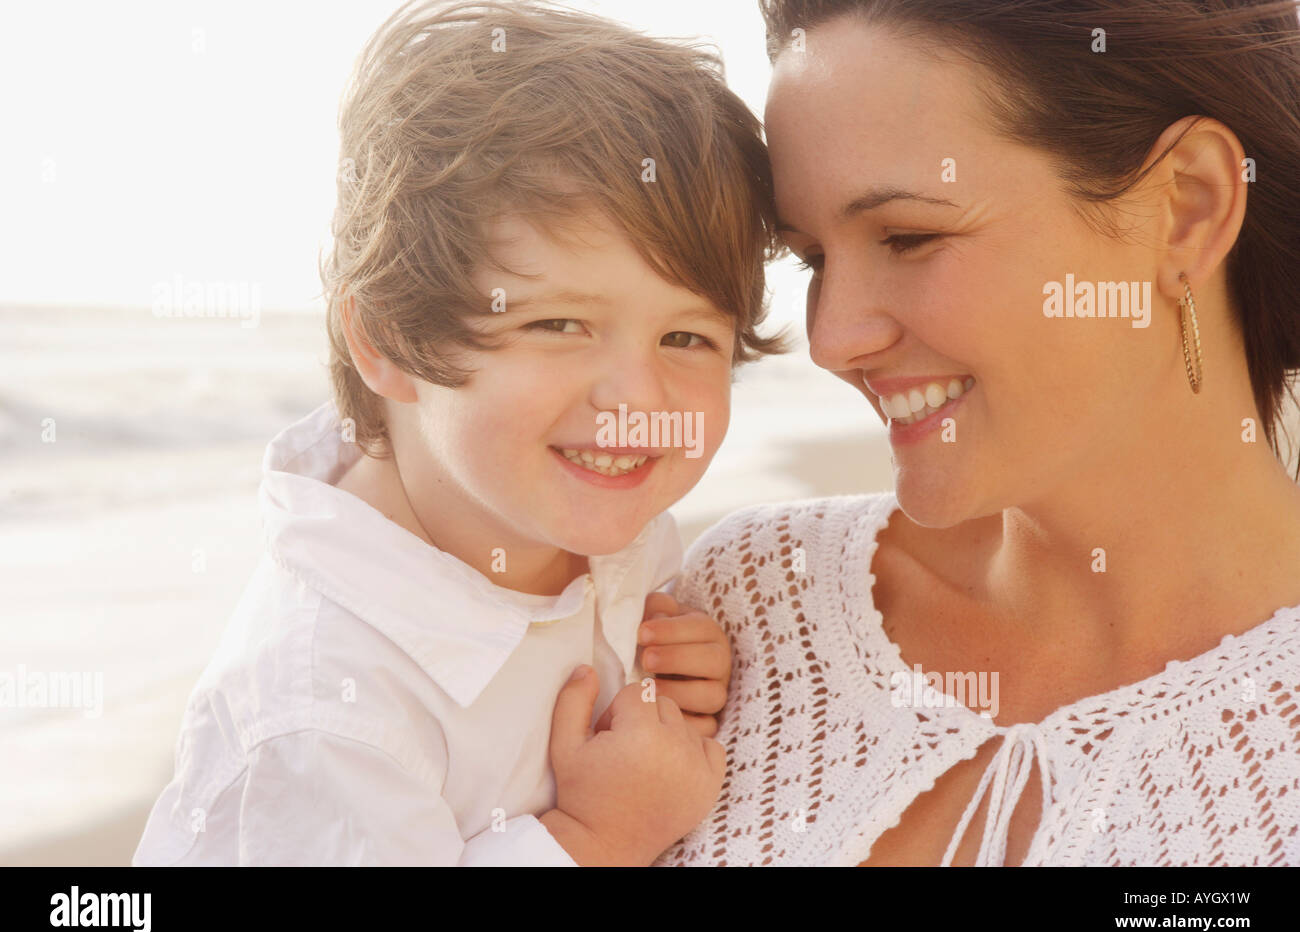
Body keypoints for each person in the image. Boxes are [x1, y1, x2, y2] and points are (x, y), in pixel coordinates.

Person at [132, 0, 790, 867]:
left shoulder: (592, 522)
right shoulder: (321, 713)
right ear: (388, 342)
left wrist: (670, 671)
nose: (637, 399)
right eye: (558, 324)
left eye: (687, 338)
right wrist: (598, 836)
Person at [658, 0, 1300, 866]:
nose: (832, 339)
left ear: (1187, 207)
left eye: (910, 236)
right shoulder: (743, 611)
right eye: (811, 260)